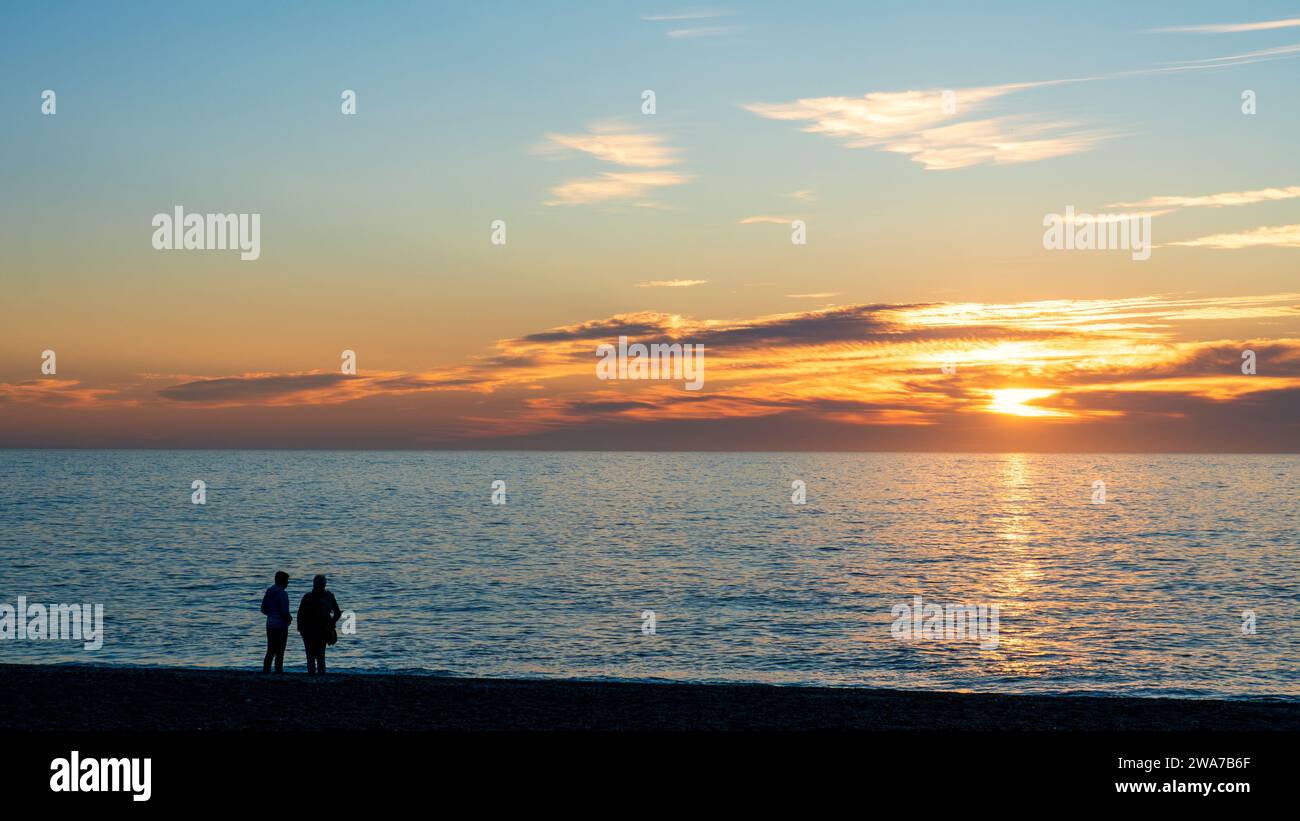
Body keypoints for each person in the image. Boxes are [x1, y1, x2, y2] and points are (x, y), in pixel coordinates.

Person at [297, 574, 341, 675]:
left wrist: (300, 628)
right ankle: (320, 674)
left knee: (312, 654)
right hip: (319, 629)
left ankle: (313, 674)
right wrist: (331, 623)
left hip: (313, 629)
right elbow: (337, 613)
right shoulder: (328, 596)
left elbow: (300, 614)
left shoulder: (308, 597)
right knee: (319, 654)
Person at [260, 571, 292, 673]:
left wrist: (271, 614)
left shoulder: (269, 591)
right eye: (287, 581)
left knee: (270, 650)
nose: (287, 583)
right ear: (282, 581)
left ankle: (266, 670)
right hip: (281, 625)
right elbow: (284, 612)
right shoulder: (283, 594)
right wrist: (289, 619)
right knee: (280, 651)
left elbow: (263, 609)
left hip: (270, 623)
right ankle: (278, 671)